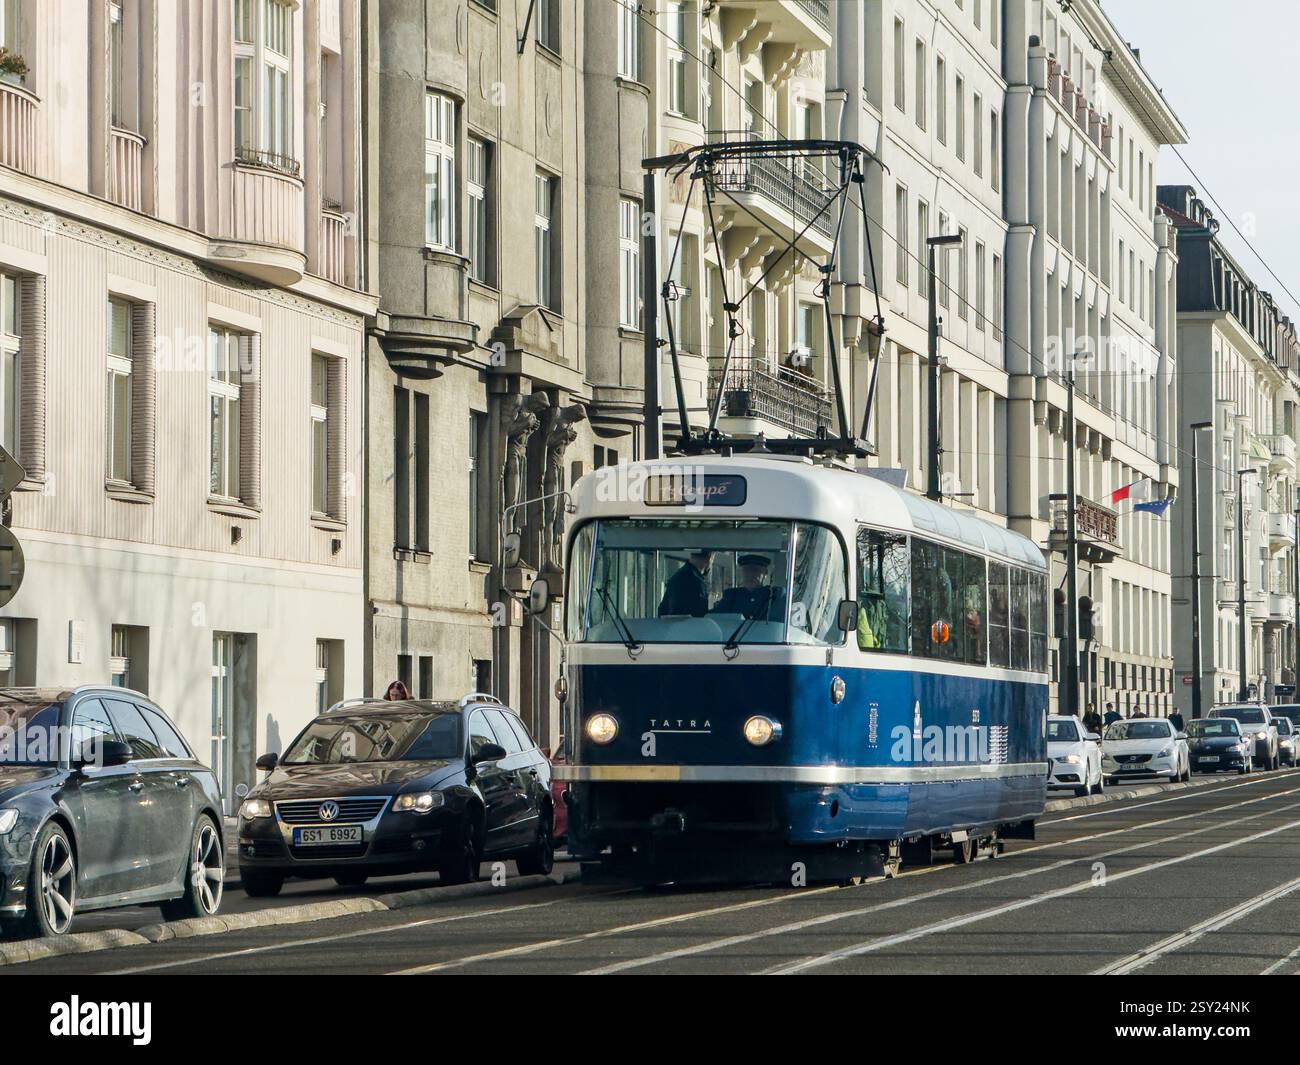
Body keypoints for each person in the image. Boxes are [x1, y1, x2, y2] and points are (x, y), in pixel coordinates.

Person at [713, 554, 784, 620]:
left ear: (765, 573)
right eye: (746, 570)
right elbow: (717, 618)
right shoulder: (731, 595)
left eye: (755, 570)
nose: (750, 574)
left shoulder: (774, 595)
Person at [659, 549, 712, 617]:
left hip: (673, 625)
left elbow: (663, 610)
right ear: (709, 558)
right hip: (689, 625)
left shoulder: (678, 576)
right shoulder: (695, 581)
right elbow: (699, 613)